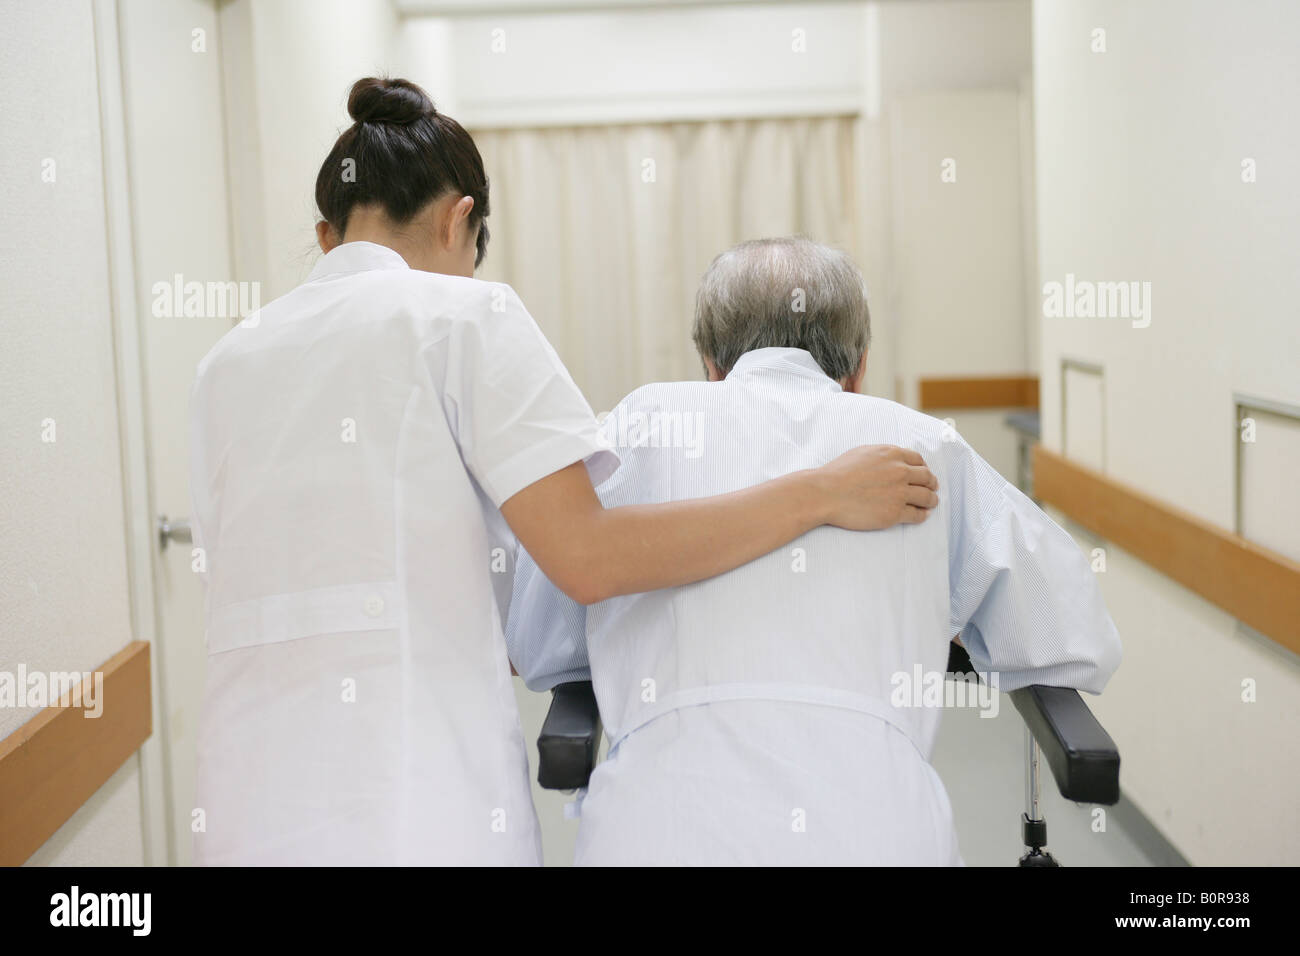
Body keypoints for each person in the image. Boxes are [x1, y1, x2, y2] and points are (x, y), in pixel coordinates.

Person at [187, 81, 939, 866]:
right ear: (460, 219)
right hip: (414, 796)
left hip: (246, 794)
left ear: (326, 231)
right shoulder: (464, 318)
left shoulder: (224, 363)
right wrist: (820, 492)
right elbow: (591, 559)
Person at [507, 236, 1122, 865]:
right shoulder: (920, 449)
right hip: (875, 831)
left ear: (709, 365)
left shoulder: (635, 425)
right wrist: (950, 615)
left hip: (658, 829)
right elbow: (1067, 636)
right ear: (857, 367)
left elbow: (541, 640)